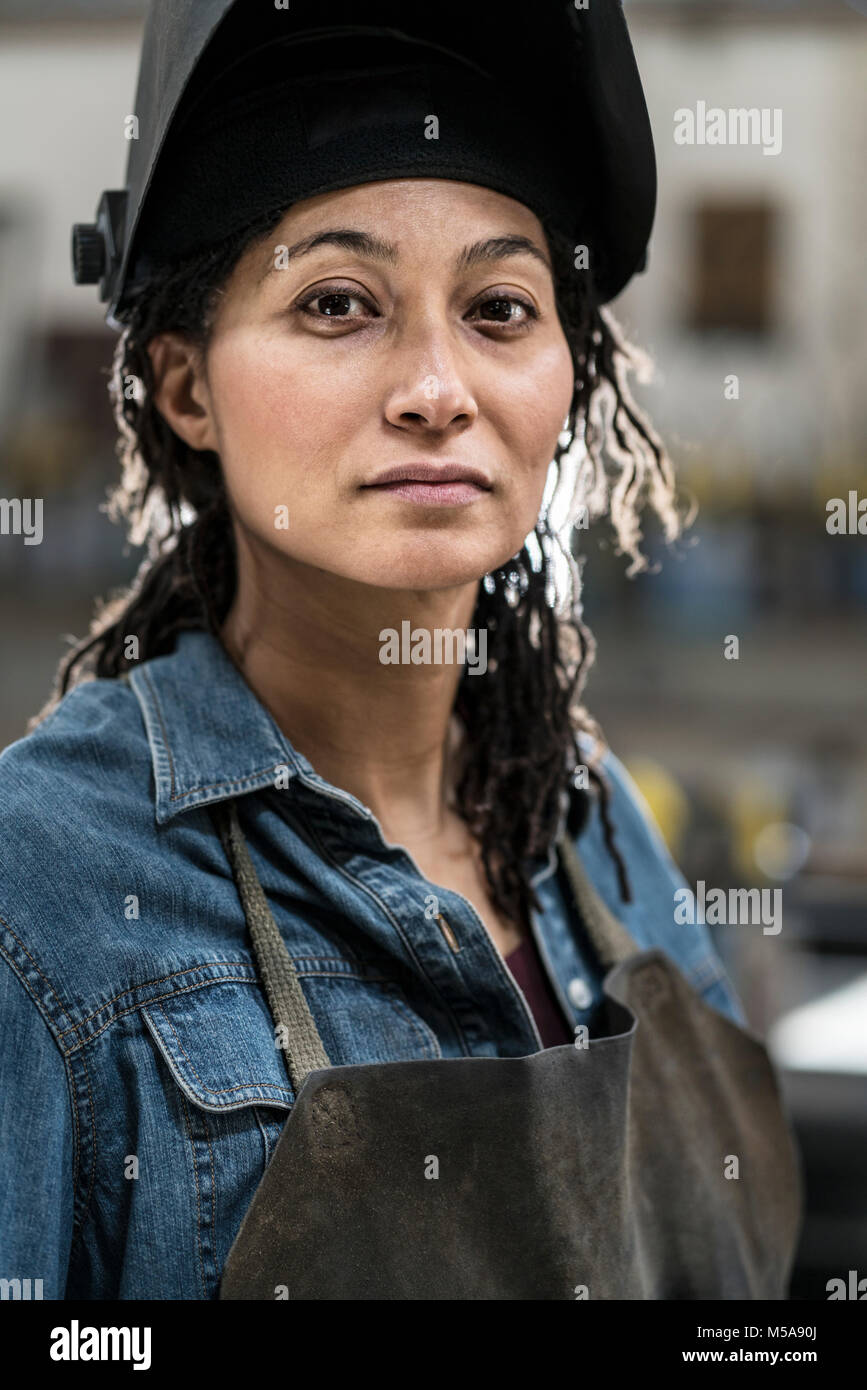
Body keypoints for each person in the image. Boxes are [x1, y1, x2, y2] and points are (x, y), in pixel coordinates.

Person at [0, 1, 802, 1300]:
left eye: (498, 306)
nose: (439, 386)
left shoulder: (598, 832)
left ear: (568, 376)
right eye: (337, 303)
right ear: (187, 387)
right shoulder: (38, 897)